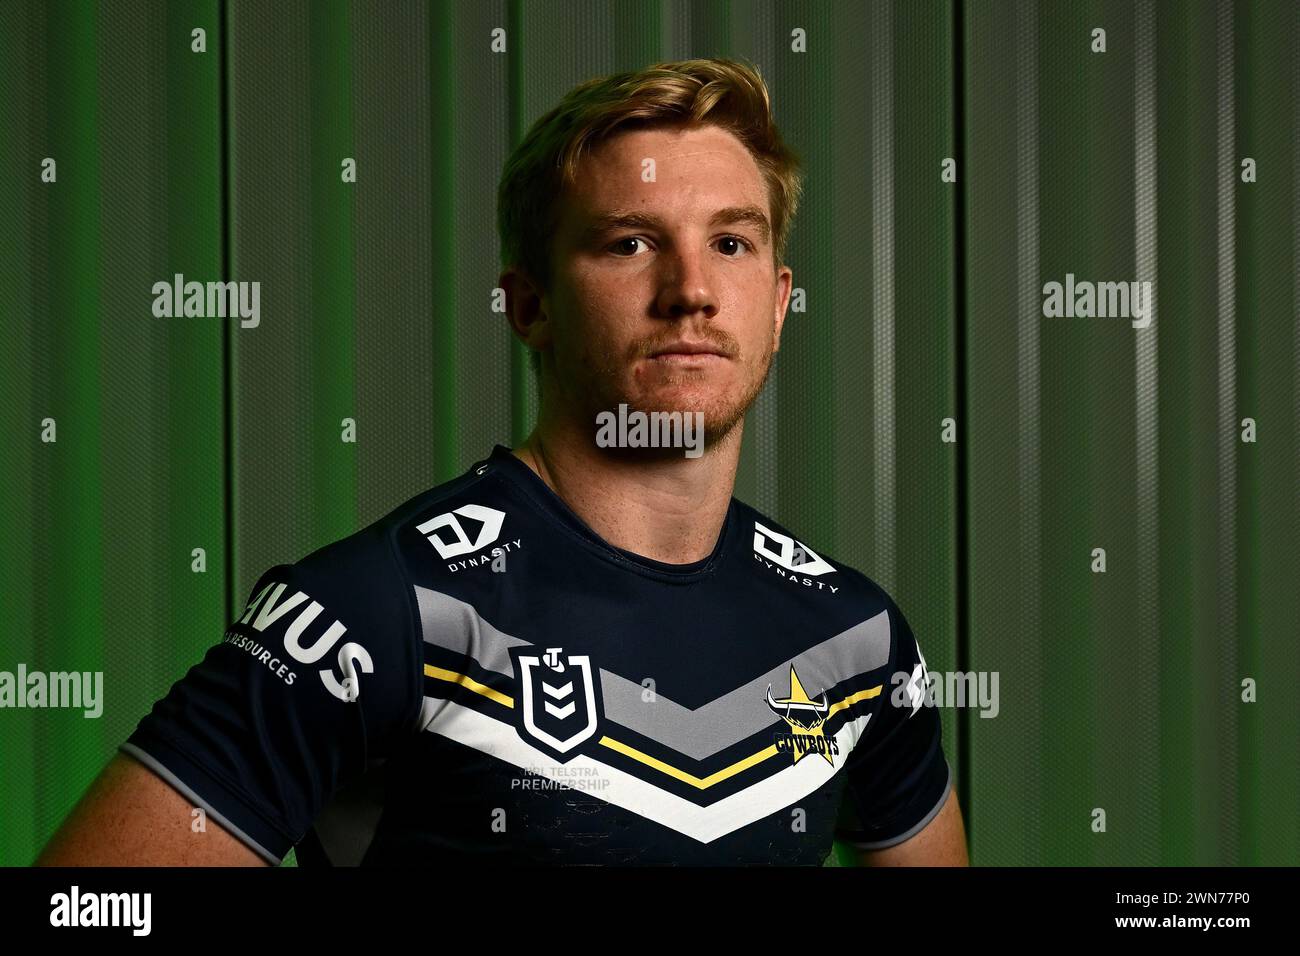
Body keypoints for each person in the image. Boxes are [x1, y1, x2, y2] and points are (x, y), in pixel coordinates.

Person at [36, 57, 967, 866]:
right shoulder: (382, 612)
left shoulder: (853, 639)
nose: (690, 291)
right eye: (630, 242)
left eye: (731, 243)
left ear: (776, 301)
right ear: (528, 305)